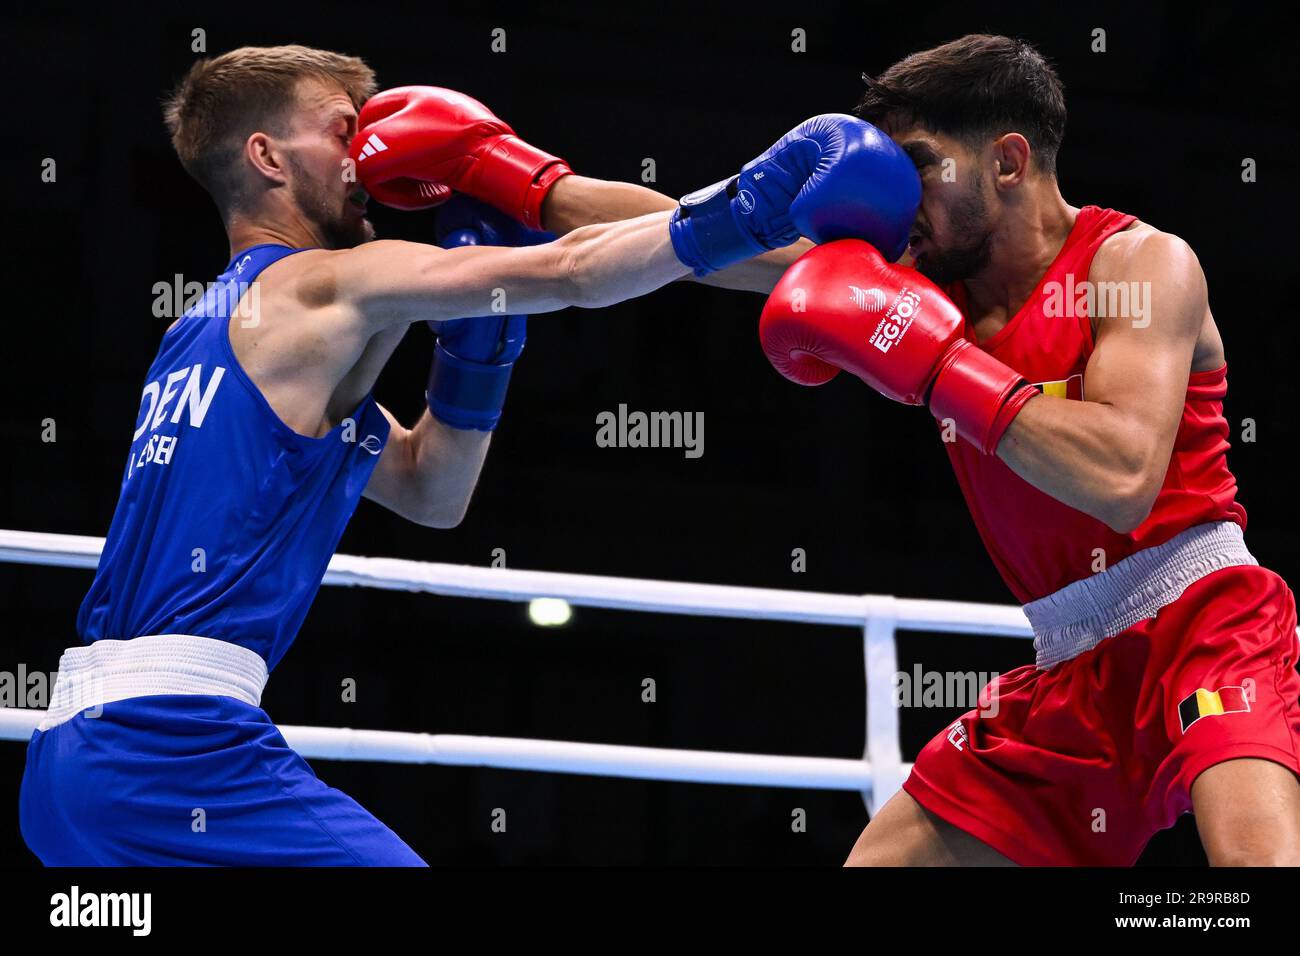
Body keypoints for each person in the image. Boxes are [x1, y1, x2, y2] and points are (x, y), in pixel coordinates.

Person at [17, 44, 919, 865]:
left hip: (74, 766)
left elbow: (429, 489)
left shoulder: (203, 335)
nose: (368, 159)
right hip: (172, 749)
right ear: (267, 158)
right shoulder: (322, 284)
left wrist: (477, 350)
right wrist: (757, 199)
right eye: (344, 134)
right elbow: (573, 272)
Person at [757, 34, 1300, 866]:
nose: (900, 197)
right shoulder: (924, 288)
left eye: (920, 165)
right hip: (1064, 662)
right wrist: (531, 188)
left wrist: (940, 366)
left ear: (1007, 161)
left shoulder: (1140, 264)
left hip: (1204, 620)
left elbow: (1122, 476)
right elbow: (708, 245)